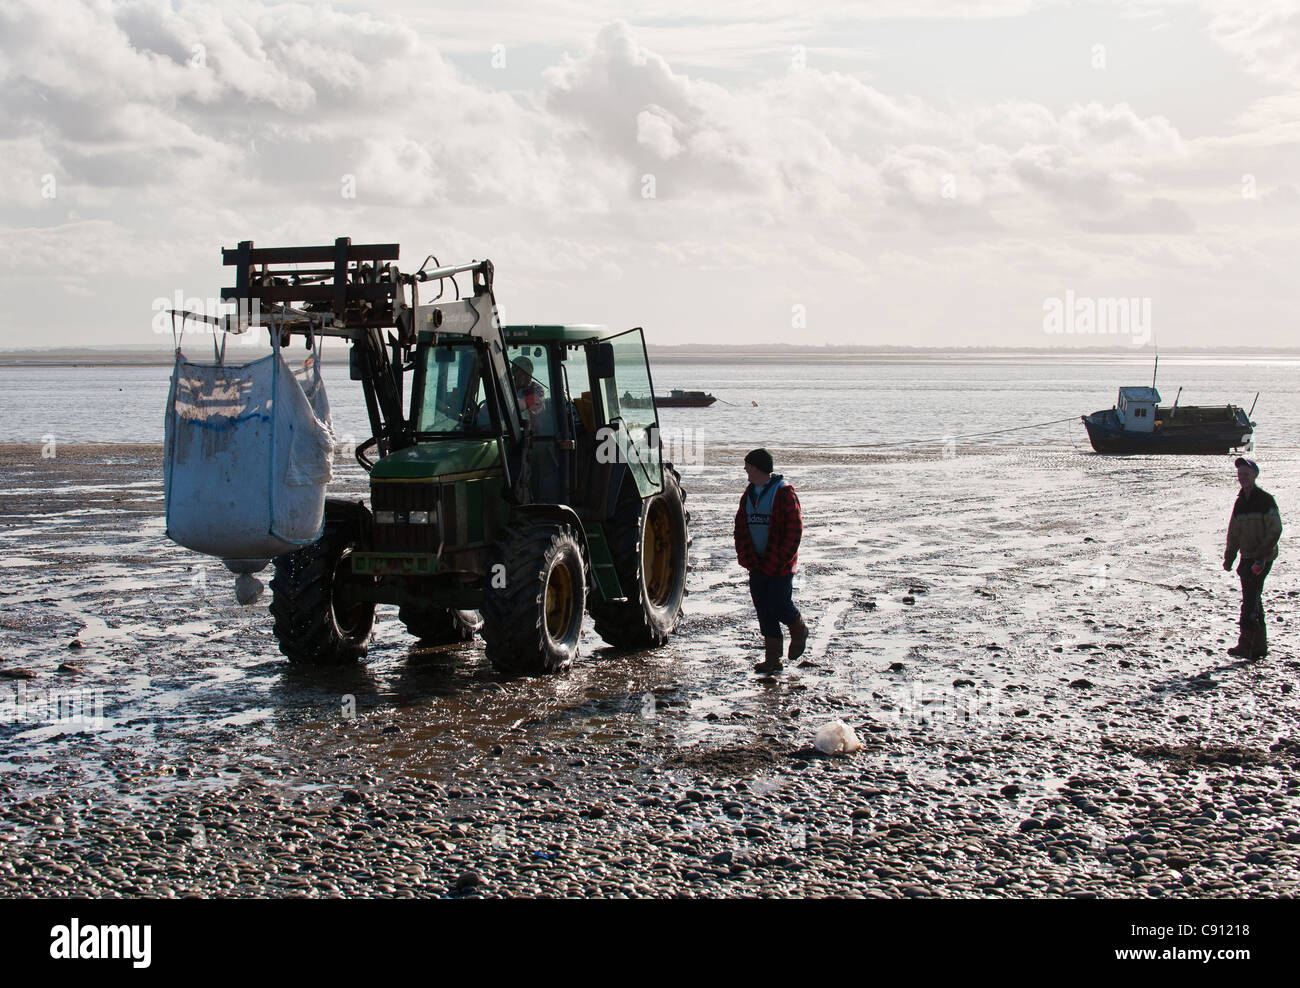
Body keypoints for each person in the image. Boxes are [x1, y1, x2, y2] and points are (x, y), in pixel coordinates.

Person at [734, 448, 808, 674]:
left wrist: (777, 561)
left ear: (756, 467)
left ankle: (798, 628)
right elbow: (740, 527)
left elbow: (794, 531)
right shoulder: (748, 493)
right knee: (763, 609)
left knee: (779, 603)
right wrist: (747, 558)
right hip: (756, 564)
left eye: (747, 465)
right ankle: (773, 659)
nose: (745, 469)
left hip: (780, 565)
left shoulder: (784, 492)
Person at [1224, 457, 1282, 659]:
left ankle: (1246, 645)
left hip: (1262, 559)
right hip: (1246, 556)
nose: (1242, 478)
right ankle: (1259, 647)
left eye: (1246, 474)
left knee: (1249, 601)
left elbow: (1275, 529)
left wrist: (1262, 555)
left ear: (1255, 475)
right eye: (1240, 474)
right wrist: (1229, 557)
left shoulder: (1265, 500)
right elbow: (1233, 532)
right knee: (1253, 599)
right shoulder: (1240, 502)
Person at [511, 356, 545, 421]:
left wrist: (507, 398)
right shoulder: (507, 385)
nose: (524, 377)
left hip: (531, 427)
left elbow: (530, 405)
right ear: (513, 374)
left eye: (526, 374)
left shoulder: (537, 388)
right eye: (520, 373)